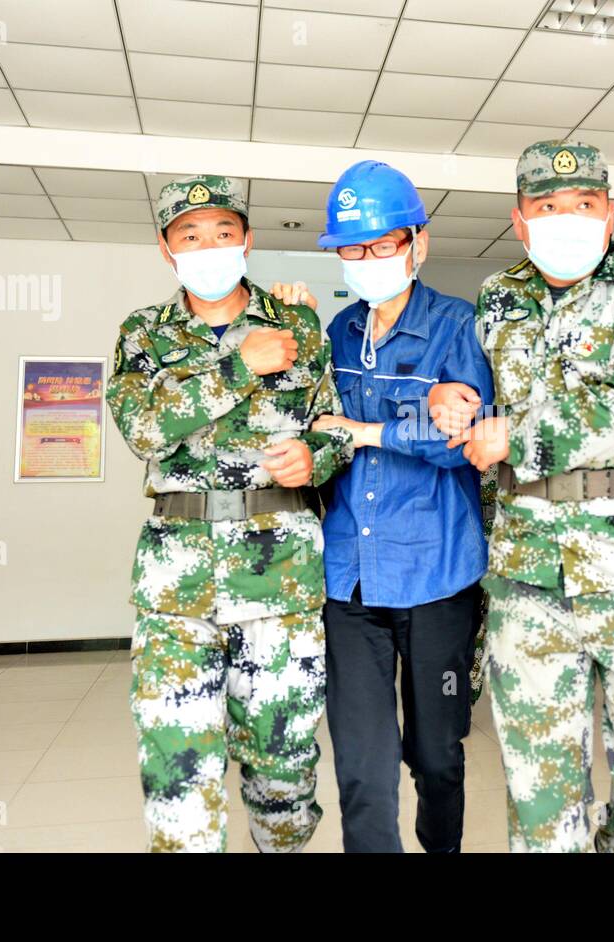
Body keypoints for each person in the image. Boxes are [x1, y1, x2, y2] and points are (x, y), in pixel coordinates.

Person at [428, 140, 614, 851]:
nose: (567, 219)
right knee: (540, 791)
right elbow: (474, 385)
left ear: (609, 214)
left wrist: (512, 440)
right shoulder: (498, 297)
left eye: (584, 205)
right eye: (547, 207)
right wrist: (445, 396)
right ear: (520, 221)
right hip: (527, 573)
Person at [107, 175, 354, 853]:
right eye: (190, 235)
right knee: (177, 763)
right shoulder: (144, 335)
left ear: (246, 240)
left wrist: (316, 455)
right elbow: (144, 431)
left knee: (283, 767)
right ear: (166, 249)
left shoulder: (298, 325)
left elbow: (332, 425)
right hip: (175, 585)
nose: (208, 246)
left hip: (281, 580)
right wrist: (237, 366)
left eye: (222, 232)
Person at [289, 161, 495, 854]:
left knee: (435, 754)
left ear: (418, 243)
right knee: (361, 759)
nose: (369, 261)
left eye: (384, 245)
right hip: (349, 575)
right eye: (353, 248)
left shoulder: (457, 326)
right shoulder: (339, 334)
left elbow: (462, 443)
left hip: (438, 572)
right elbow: (314, 430)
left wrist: (373, 429)